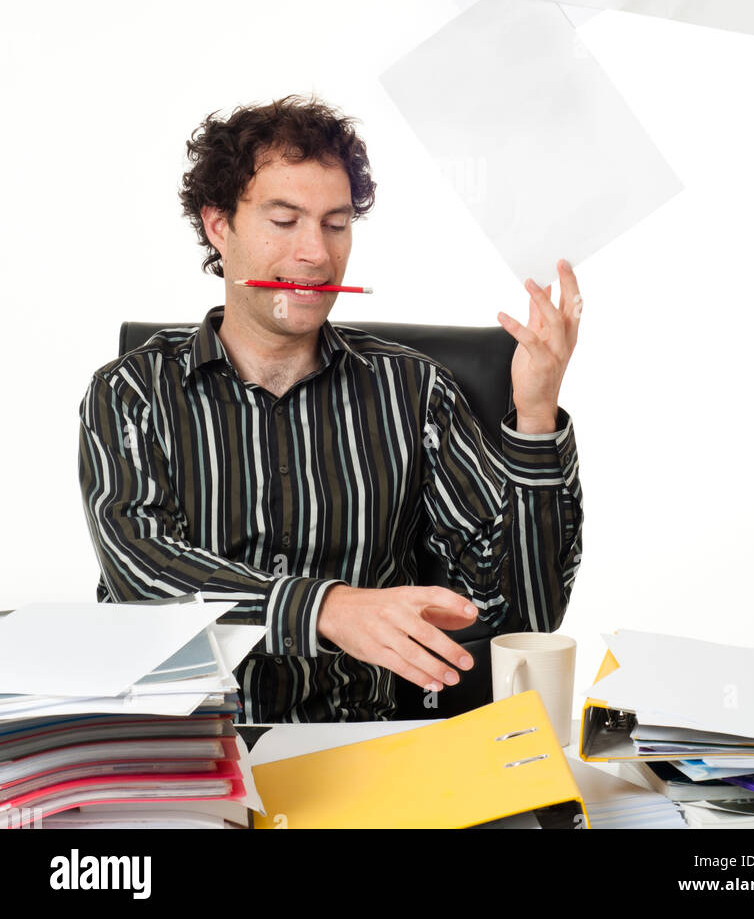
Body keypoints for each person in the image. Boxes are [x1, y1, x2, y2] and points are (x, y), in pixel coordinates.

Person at [78, 95, 584, 722]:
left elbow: (523, 613)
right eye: (284, 221)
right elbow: (145, 579)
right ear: (218, 226)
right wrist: (327, 607)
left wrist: (535, 416)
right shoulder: (132, 390)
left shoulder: (413, 391)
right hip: (182, 748)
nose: (316, 254)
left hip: (361, 746)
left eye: (336, 224)